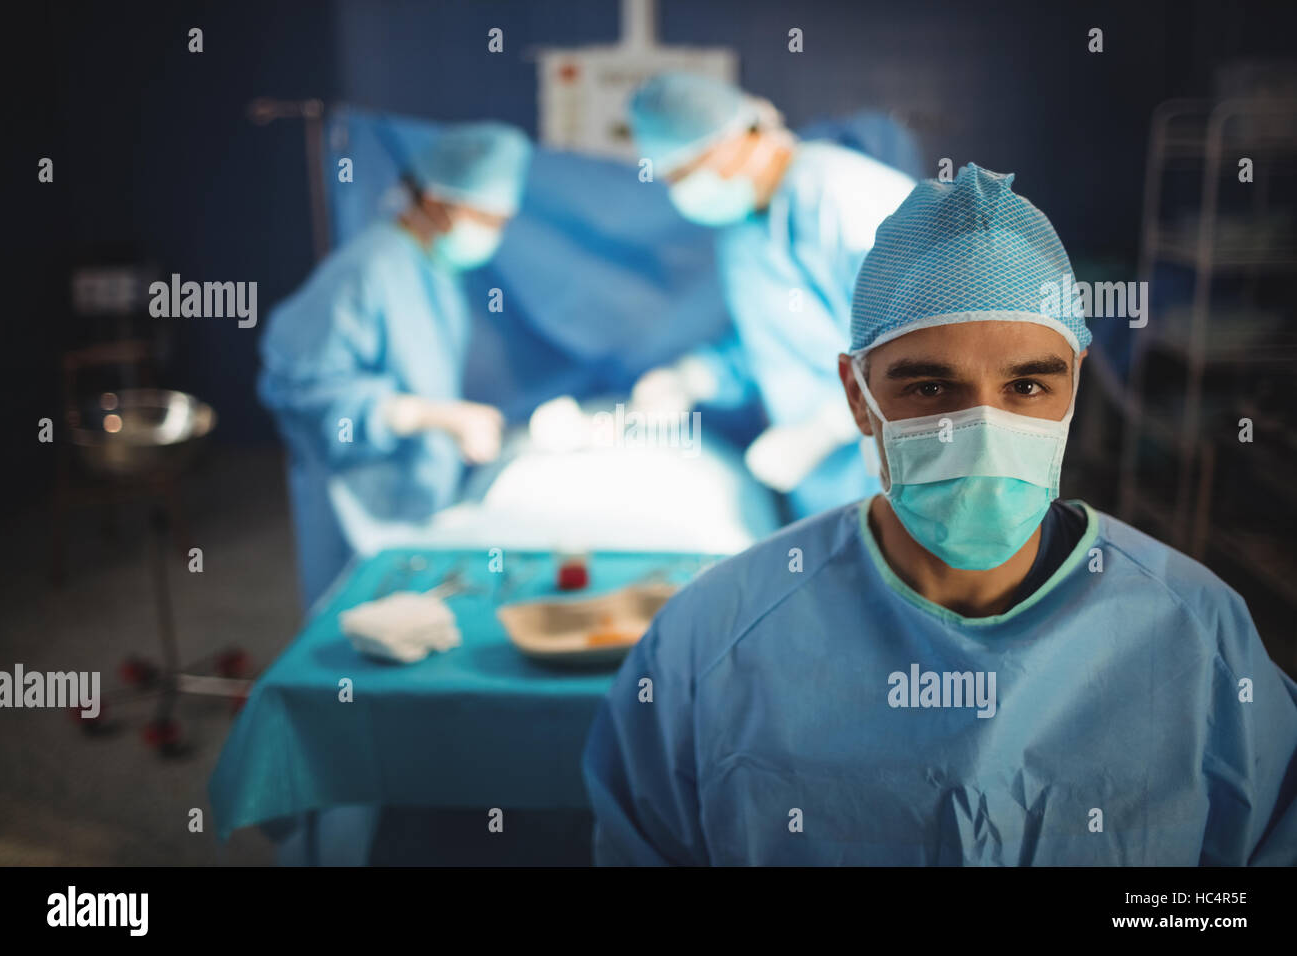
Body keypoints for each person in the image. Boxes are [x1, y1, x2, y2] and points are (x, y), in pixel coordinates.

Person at [582, 163, 1297, 865]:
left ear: (1075, 381)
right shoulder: (713, 642)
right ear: (858, 396)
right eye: (930, 387)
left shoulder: (1195, 634)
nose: (982, 431)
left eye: (1025, 386)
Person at [259, 122, 532, 608]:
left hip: (414, 490)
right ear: (435, 202)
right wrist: (428, 415)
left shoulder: (432, 266)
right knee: (352, 628)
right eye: (486, 219)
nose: (494, 233)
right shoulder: (367, 270)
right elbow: (302, 390)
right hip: (357, 501)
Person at [627, 73, 916, 519]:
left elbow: (928, 343)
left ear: (737, 137)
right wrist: (694, 377)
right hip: (832, 497)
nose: (680, 189)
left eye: (686, 170)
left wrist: (823, 429)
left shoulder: (841, 197)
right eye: (670, 178)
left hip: (907, 479)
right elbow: (779, 346)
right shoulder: (744, 231)